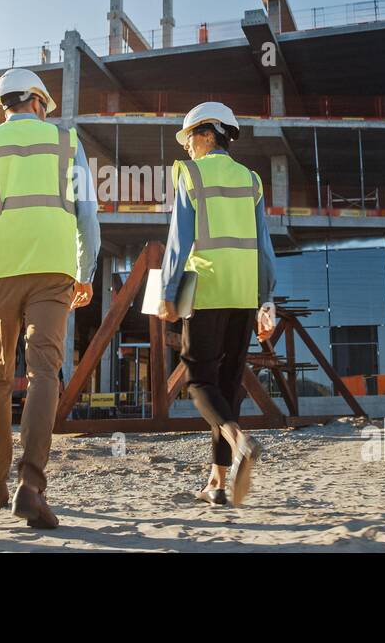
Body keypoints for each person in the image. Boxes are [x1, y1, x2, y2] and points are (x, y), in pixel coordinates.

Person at [0, 68, 99, 529]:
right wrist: (86, 271)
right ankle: (31, 486)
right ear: (38, 101)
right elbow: (87, 215)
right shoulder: (69, 144)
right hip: (55, 272)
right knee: (44, 372)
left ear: (4, 104)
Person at [157, 101, 277, 507]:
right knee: (227, 389)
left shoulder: (190, 174)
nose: (187, 146)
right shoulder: (252, 181)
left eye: (189, 137)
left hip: (206, 289)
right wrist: (265, 300)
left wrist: (168, 292)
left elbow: (179, 240)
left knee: (198, 381)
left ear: (208, 133)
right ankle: (218, 483)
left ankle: (240, 441)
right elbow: (264, 246)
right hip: (244, 293)